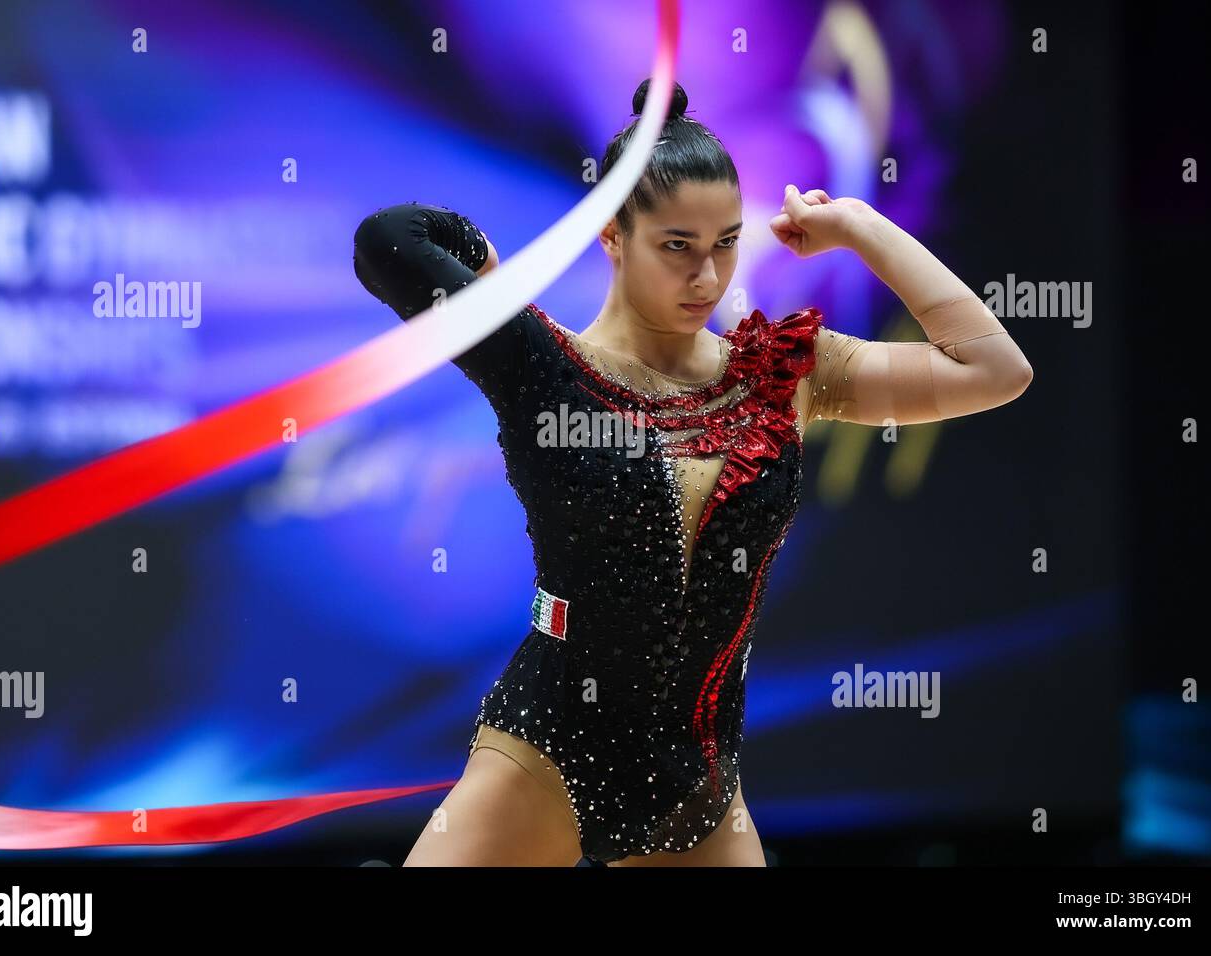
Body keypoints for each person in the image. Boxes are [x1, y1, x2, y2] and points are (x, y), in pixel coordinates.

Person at [352, 78, 1032, 867]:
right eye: (677, 245)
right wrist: (483, 270)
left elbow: (994, 369)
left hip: (694, 782)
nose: (706, 277)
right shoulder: (540, 363)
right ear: (611, 233)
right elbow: (387, 240)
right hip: (541, 754)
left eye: (726, 243)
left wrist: (857, 224)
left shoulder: (785, 372)